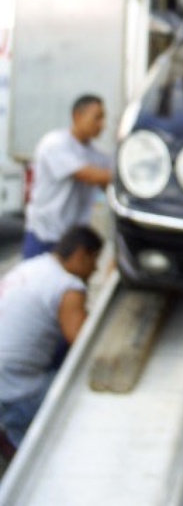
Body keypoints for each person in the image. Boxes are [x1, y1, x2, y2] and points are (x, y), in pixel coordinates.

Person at [0, 225, 103, 457]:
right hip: (15, 392)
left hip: (3, 379)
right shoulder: (68, 286)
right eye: (94, 260)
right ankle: (21, 443)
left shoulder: (31, 266)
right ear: (80, 254)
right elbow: (83, 344)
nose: (94, 269)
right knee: (77, 391)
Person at [22, 94, 113, 259]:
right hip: (44, 235)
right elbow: (89, 175)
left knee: (68, 284)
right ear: (77, 116)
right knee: (39, 282)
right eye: (97, 118)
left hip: (71, 240)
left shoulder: (97, 155)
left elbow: (109, 180)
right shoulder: (56, 144)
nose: (102, 125)